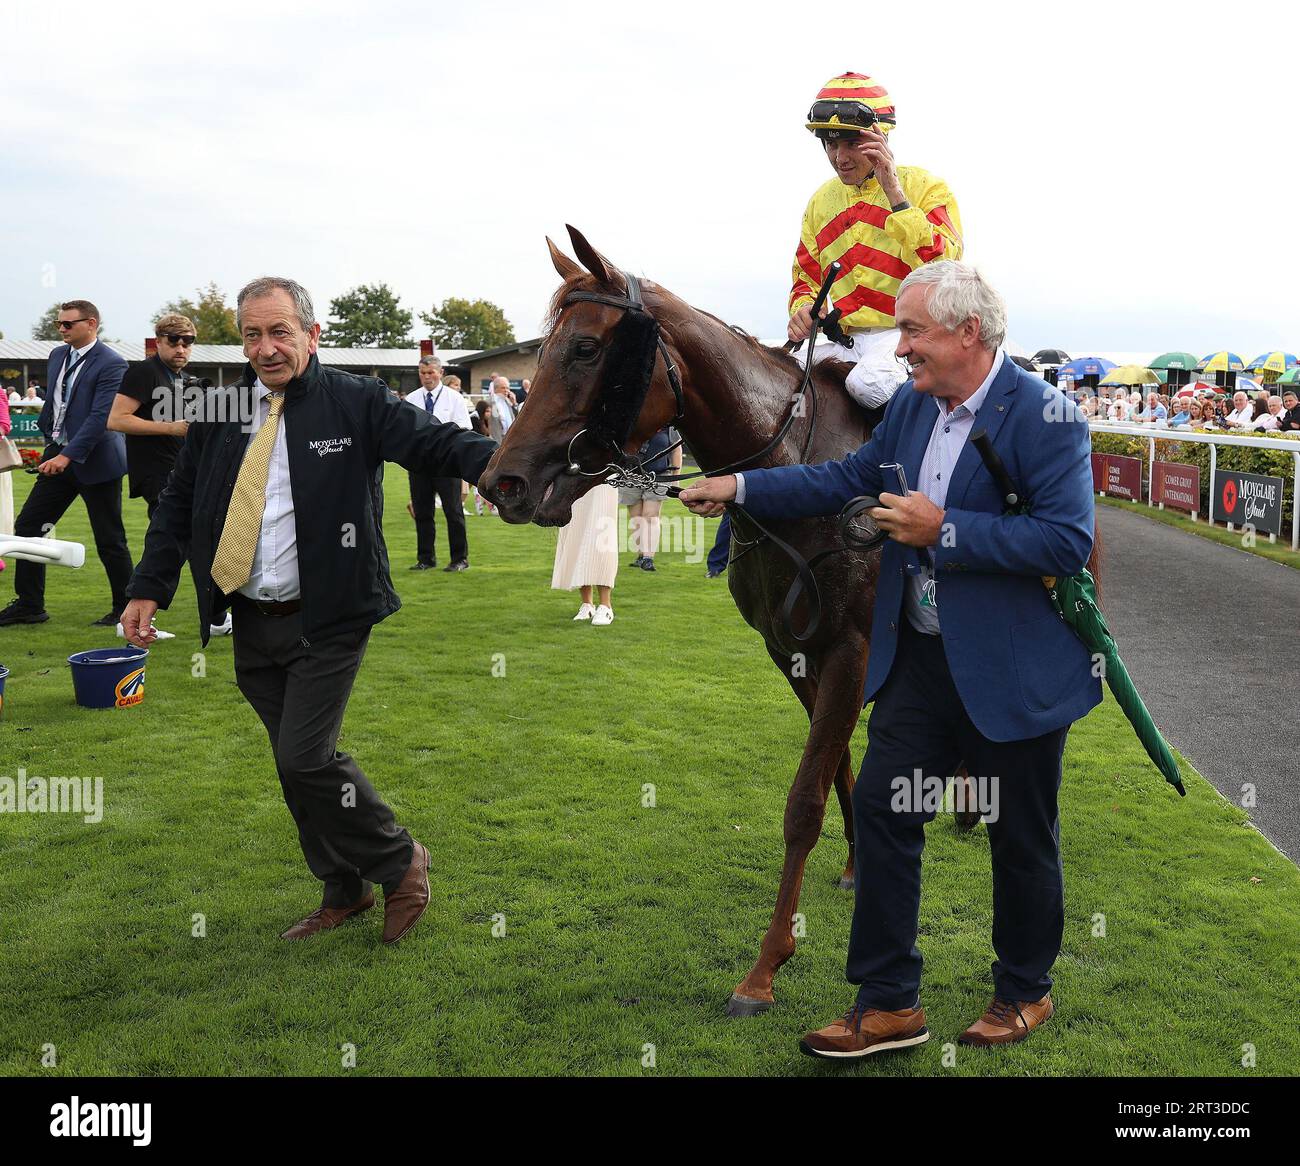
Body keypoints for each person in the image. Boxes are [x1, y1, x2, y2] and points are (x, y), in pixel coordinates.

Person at [681, 261, 1100, 1058]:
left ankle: (1023, 990)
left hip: (1011, 673)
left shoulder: (1048, 417)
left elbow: (1066, 541)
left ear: (968, 333)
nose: (898, 348)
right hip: (920, 666)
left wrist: (944, 528)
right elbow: (842, 477)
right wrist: (738, 487)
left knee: (1020, 834)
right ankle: (887, 1003)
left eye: (912, 331)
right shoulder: (911, 406)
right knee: (882, 811)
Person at [120, 276, 497, 944]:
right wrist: (149, 586)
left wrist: (514, 466)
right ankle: (342, 889)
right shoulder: (221, 407)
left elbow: (438, 445)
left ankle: (400, 860)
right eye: (252, 334)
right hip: (249, 619)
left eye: (280, 332)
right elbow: (179, 500)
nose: (265, 348)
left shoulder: (355, 401)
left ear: (311, 335)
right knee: (294, 770)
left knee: (304, 758)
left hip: (329, 615)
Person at [790, 71, 962, 411]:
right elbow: (805, 278)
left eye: (852, 143)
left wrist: (894, 192)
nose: (840, 157)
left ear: (881, 137)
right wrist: (802, 311)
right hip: (847, 340)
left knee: (867, 382)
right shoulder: (819, 203)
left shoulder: (926, 188)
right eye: (831, 144)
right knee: (778, 372)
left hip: (908, 335)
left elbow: (946, 270)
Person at [0, 300, 133, 628]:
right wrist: (49, 446)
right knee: (30, 527)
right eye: (60, 323)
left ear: (91, 324)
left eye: (68, 324)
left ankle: (126, 609)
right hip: (58, 455)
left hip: (96, 462)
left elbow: (100, 417)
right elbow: (57, 404)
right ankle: (30, 606)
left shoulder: (113, 364)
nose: (61, 329)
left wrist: (66, 455)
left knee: (109, 538)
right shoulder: (58, 355)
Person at [405, 355, 473, 571]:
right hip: (419, 465)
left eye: (431, 373)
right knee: (423, 512)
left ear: (440, 372)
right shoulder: (411, 399)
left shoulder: (454, 398)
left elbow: (464, 428)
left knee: (453, 512)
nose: (427, 377)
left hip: (446, 465)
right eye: (423, 373)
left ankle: (459, 559)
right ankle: (426, 558)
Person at [552, 482, 618, 625]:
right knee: (575, 535)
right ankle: (587, 604)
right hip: (576, 479)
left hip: (604, 478)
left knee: (602, 539)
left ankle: (605, 606)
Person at [621, 425, 681, 571]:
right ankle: (641, 555)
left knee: (650, 516)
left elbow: (676, 449)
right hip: (631, 475)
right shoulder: (635, 418)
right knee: (636, 518)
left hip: (658, 476)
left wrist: (676, 477)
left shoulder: (669, 425)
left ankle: (648, 558)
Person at [487, 375, 516, 440]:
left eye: (508, 388)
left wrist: (514, 403)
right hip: (496, 439)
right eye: (503, 388)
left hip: (509, 438)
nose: (506, 390)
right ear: (495, 389)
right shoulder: (489, 402)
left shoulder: (508, 402)